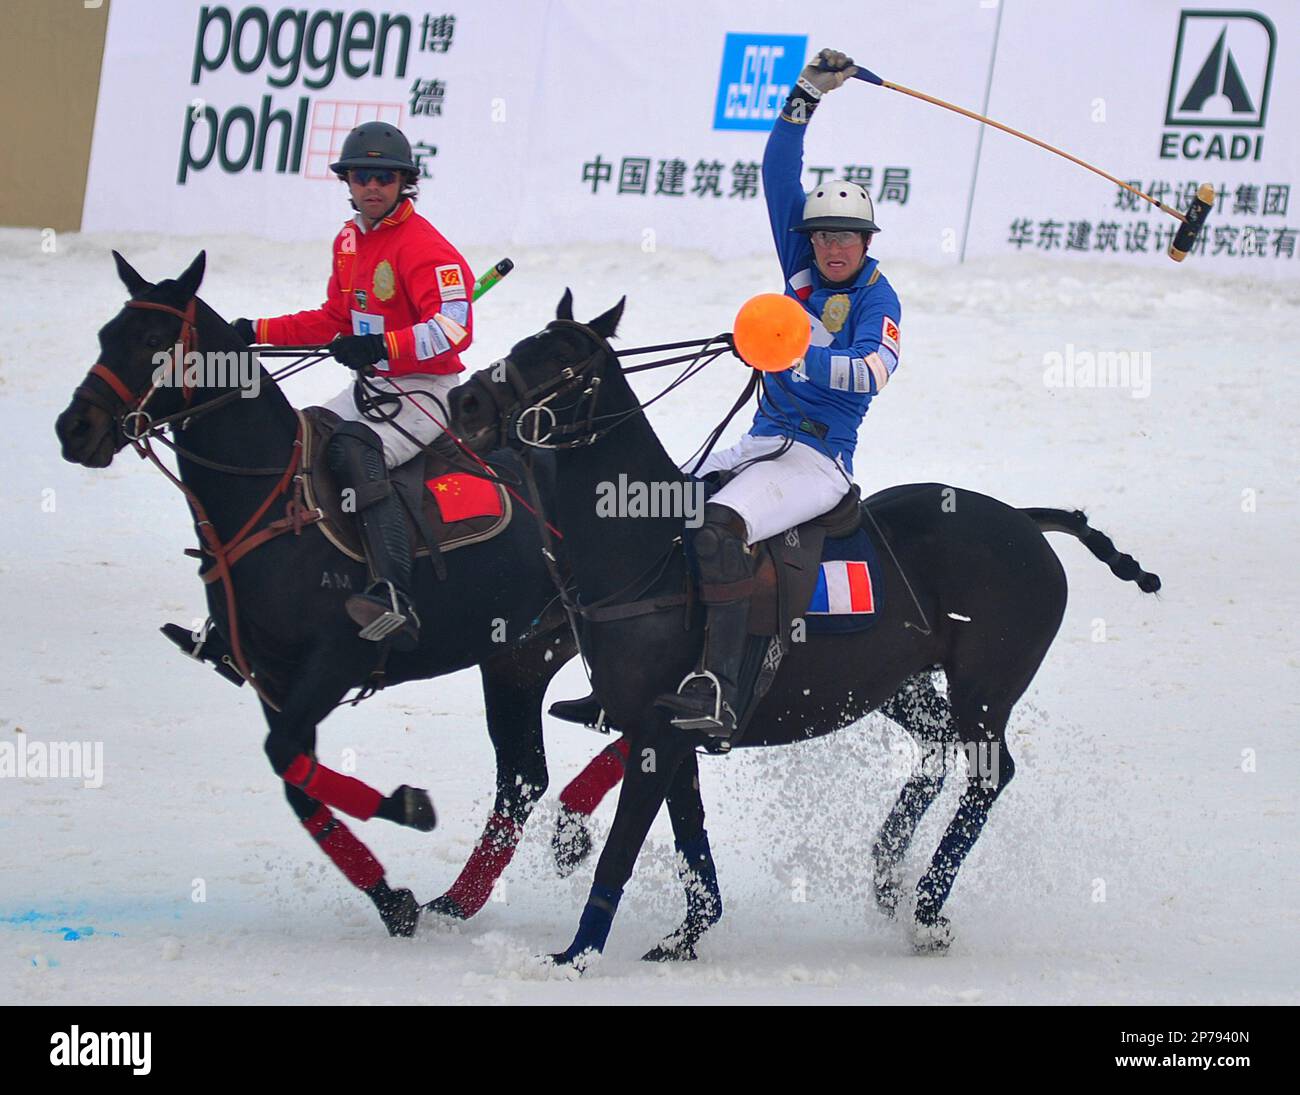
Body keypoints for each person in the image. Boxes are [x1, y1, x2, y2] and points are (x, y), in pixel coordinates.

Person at [654, 47, 904, 738]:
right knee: (659, 502)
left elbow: (873, 370)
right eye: (822, 235)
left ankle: (719, 690)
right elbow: (777, 172)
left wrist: (798, 353)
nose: (832, 248)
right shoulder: (801, 269)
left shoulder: (879, 298)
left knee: (719, 526)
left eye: (846, 239)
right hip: (763, 441)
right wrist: (804, 95)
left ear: (864, 243)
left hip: (819, 463)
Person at [232, 121, 474, 651]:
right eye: (362, 175)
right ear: (347, 180)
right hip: (371, 387)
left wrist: (382, 346)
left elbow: (455, 328)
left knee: (355, 452)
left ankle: (394, 595)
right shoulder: (348, 240)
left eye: (384, 177)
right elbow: (333, 318)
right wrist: (255, 332)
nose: (372, 186)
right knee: (298, 445)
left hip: (425, 394)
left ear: (404, 182)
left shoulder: (427, 247)